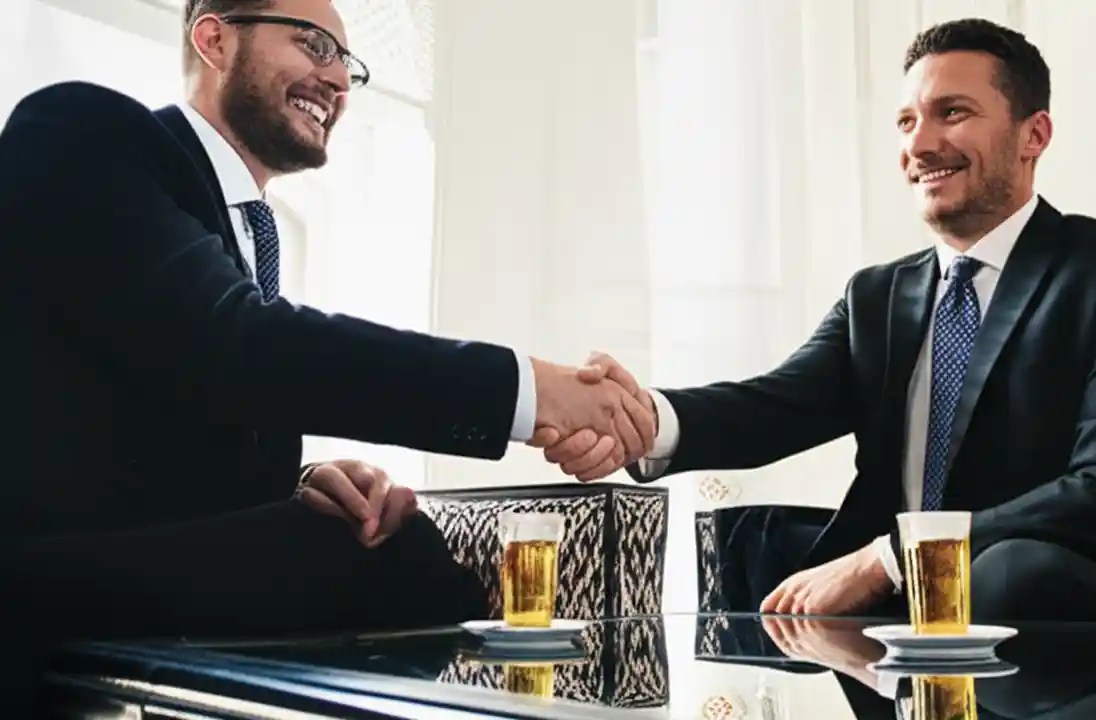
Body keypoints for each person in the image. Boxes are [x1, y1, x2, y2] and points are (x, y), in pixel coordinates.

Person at [0, 0, 655, 641]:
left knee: (394, 539)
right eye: (314, 45)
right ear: (215, 40)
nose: (340, 80)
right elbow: (237, 345)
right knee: (371, 558)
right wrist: (530, 391)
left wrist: (305, 479)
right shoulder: (81, 133)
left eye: (347, 64)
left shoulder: (254, 234)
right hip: (48, 570)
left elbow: (180, 392)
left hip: (155, 567)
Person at [541, 18, 1096, 624]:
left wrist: (891, 558)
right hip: (906, 616)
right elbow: (774, 407)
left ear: (1034, 134)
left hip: (1076, 609)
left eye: (953, 113)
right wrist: (640, 422)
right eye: (906, 121)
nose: (921, 143)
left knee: (1005, 576)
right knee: (749, 555)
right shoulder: (877, 296)